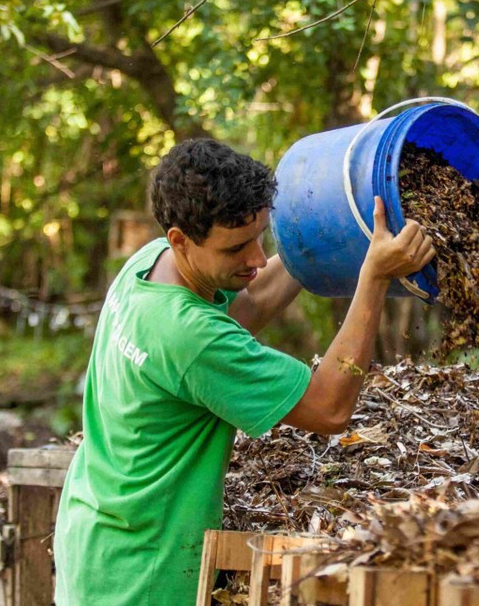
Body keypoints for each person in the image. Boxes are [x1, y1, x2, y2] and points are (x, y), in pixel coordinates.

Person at [54, 138, 436, 604]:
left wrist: (319, 241)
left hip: (97, 535)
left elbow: (247, 307)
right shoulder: (187, 336)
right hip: (142, 575)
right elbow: (328, 408)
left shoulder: (151, 264)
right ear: (181, 239)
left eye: (260, 236)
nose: (256, 259)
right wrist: (373, 278)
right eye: (237, 247)